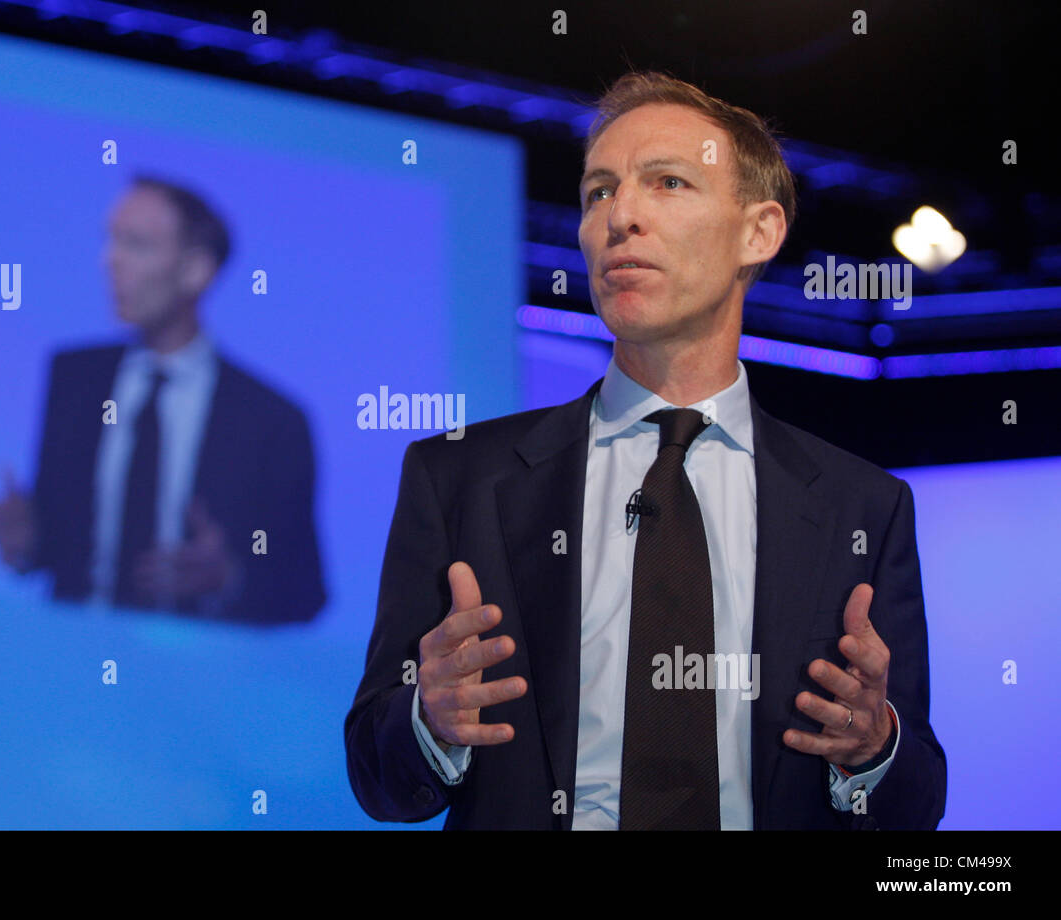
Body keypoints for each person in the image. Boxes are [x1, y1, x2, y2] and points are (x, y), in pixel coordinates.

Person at [345, 71, 945, 828]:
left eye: (667, 182)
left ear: (758, 232)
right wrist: (431, 721)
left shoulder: (864, 505)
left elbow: (917, 804)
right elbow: (377, 777)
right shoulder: (458, 476)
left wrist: (874, 745)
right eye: (599, 192)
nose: (620, 215)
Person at [0, 176, 325, 624]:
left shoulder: (272, 420)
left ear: (196, 270)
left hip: (201, 679)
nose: (109, 260)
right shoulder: (75, 379)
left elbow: (306, 592)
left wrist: (227, 578)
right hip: (73, 665)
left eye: (137, 245)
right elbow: (59, 553)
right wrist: (28, 544)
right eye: (111, 240)